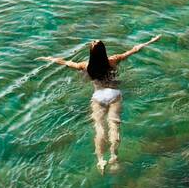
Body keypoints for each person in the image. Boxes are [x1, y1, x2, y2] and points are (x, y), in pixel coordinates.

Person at [43, 36, 160, 171]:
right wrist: (151, 41)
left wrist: (49, 58)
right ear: (104, 51)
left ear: (91, 54)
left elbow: (66, 63)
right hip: (114, 94)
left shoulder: (86, 66)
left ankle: (100, 160)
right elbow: (133, 50)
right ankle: (114, 156)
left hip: (98, 96)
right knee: (114, 125)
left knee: (99, 128)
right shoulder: (112, 61)